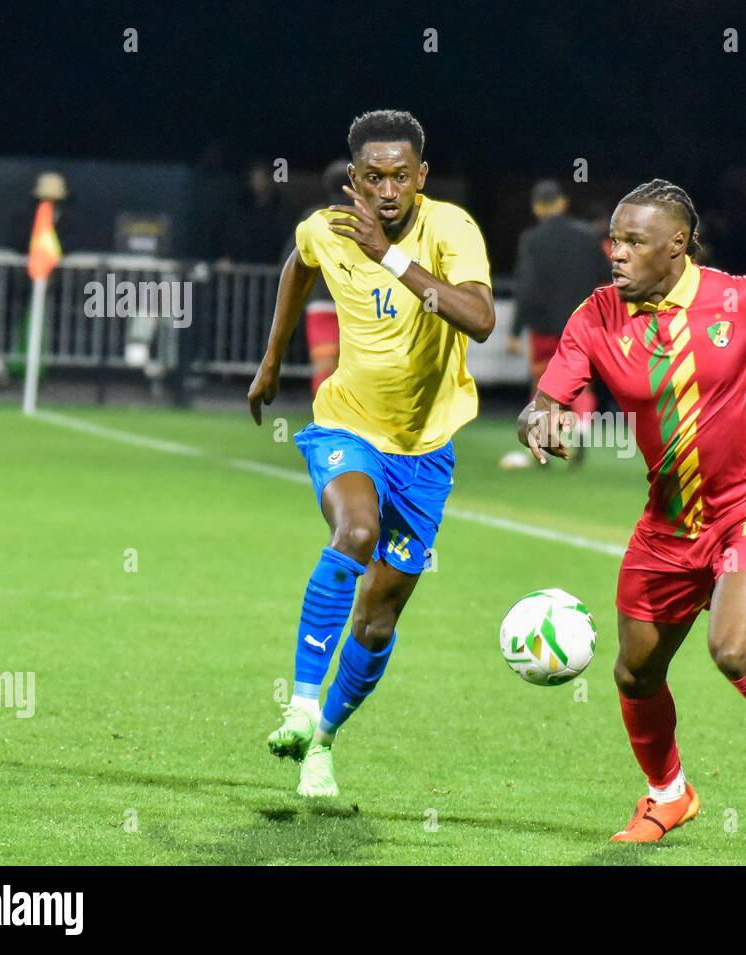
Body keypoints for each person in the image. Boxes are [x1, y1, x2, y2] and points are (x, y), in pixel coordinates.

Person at [517, 179, 746, 855]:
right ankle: (670, 792)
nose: (615, 253)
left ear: (677, 244)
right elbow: (544, 400)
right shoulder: (596, 316)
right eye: (613, 239)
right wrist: (542, 423)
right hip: (668, 521)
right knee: (634, 673)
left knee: (733, 649)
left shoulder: (740, 302)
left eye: (633, 241)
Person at [248, 110, 495, 796]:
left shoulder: (451, 229)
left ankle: (324, 737)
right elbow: (299, 267)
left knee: (379, 617)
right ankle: (299, 703)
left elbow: (479, 318)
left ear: (422, 175)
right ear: (355, 177)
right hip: (347, 424)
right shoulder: (327, 228)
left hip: (425, 449)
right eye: (374, 176)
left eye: (400, 175)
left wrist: (390, 254)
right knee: (353, 530)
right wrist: (271, 361)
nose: (387, 190)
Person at [502, 179, 610, 467]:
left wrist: (515, 331)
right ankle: (583, 426)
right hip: (580, 326)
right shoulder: (588, 238)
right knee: (581, 385)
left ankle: (541, 442)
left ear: (537, 207)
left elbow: (525, 286)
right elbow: (607, 278)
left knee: (543, 386)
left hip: (544, 326)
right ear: (563, 203)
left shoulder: (531, 239)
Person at [284, 161, 352, 396]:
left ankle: (325, 418)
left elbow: (291, 259)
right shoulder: (365, 219)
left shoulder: (313, 219)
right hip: (357, 305)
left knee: (324, 368)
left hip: (321, 304)